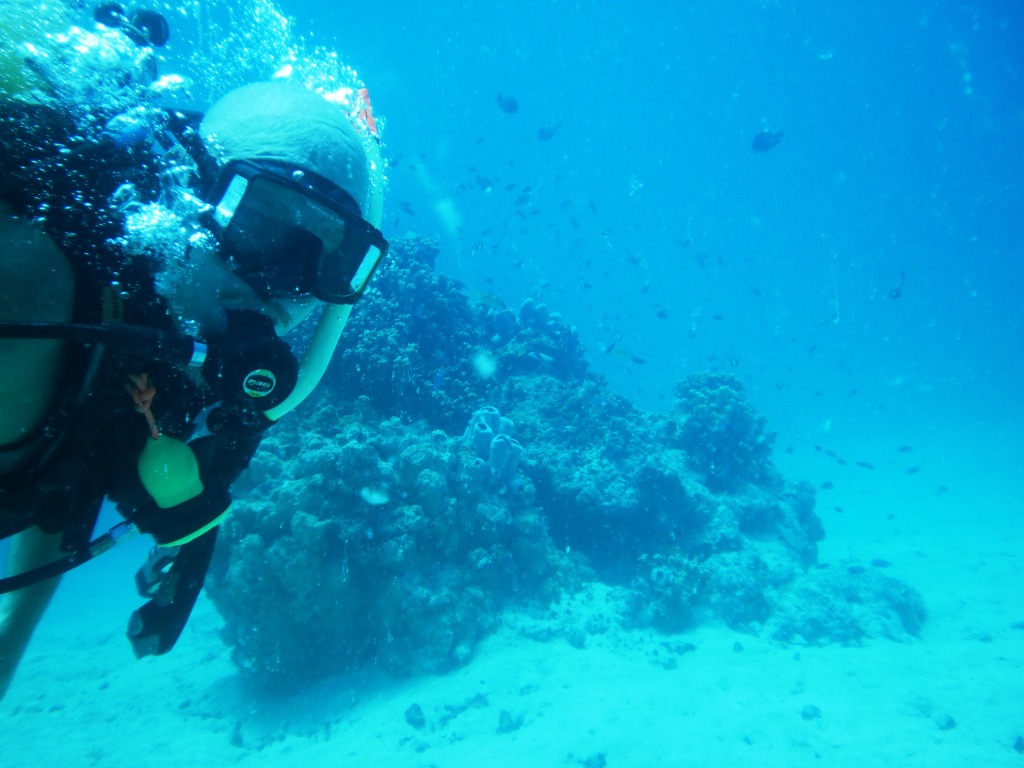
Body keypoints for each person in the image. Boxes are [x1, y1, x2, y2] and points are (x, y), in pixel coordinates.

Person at [0, 5, 387, 700]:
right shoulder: (28, 283)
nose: (278, 284)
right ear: (182, 189)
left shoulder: (160, 338)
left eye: (323, 260)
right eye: (259, 222)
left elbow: (65, 473)